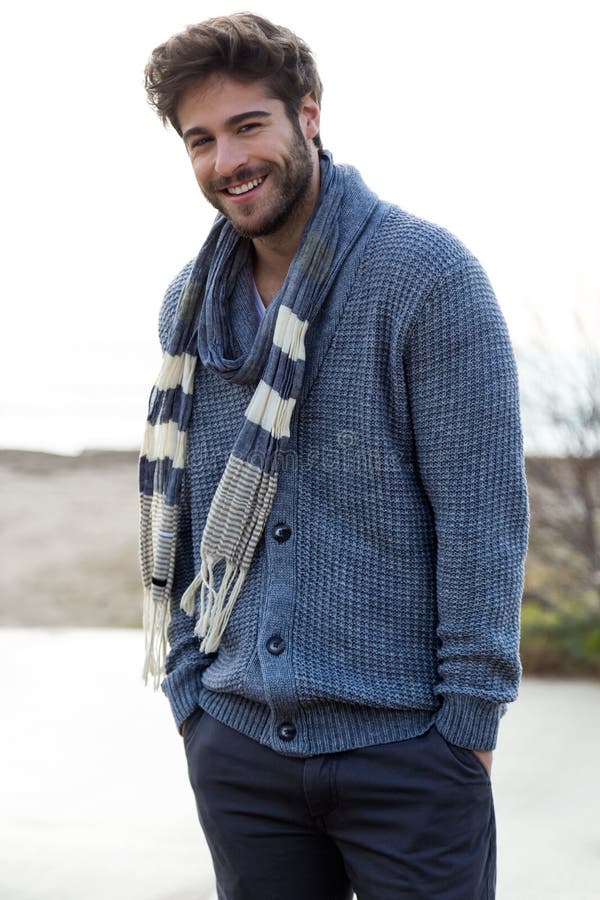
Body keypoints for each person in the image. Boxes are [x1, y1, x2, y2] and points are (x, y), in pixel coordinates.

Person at [139, 13, 529, 900]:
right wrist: (193, 700)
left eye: (248, 126)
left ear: (307, 117)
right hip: (237, 748)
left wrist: (467, 727)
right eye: (201, 140)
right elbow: (191, 518)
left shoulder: (426, 277)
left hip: (410, 756)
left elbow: (484, 518)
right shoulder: (190, 308)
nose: (226, 161)